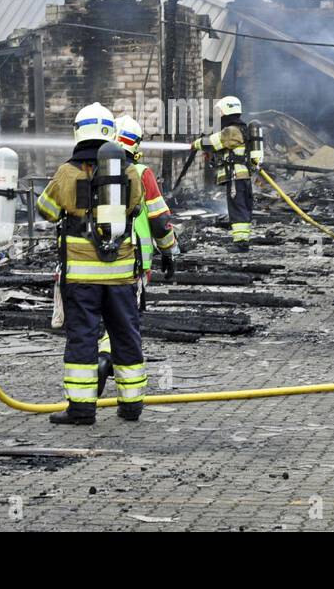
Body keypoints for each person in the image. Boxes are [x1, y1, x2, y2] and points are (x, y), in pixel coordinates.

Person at [35, 103, 147, 425]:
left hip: (82, 276)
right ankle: (131, 405)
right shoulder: (129, 171)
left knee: (83, 338)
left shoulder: (66, 172)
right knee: (125, 335)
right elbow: (137, 207)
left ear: (78, 131)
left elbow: (46, 210)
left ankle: (82, 409)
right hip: (121, 274)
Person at [94, 114, 181, 393]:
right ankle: (107, 361)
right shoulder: (142, 173)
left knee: (98, 316)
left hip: (92, 260)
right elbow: (159, 220)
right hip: (133, 261)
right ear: (136, 144)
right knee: (123, 319)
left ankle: (89, 372)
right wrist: (169, 251)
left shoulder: (92, 168)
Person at [191, 95, 261, 251]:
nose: (219, 116)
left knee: (237, 208)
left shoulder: (232, 131)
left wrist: (196, 144)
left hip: (236, 177)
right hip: (240, 177)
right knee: (240, 207)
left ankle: (241, 244)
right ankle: (241, 241)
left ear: (227, 111)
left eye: (220, 112)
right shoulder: (238, 129)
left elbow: (213, 142)